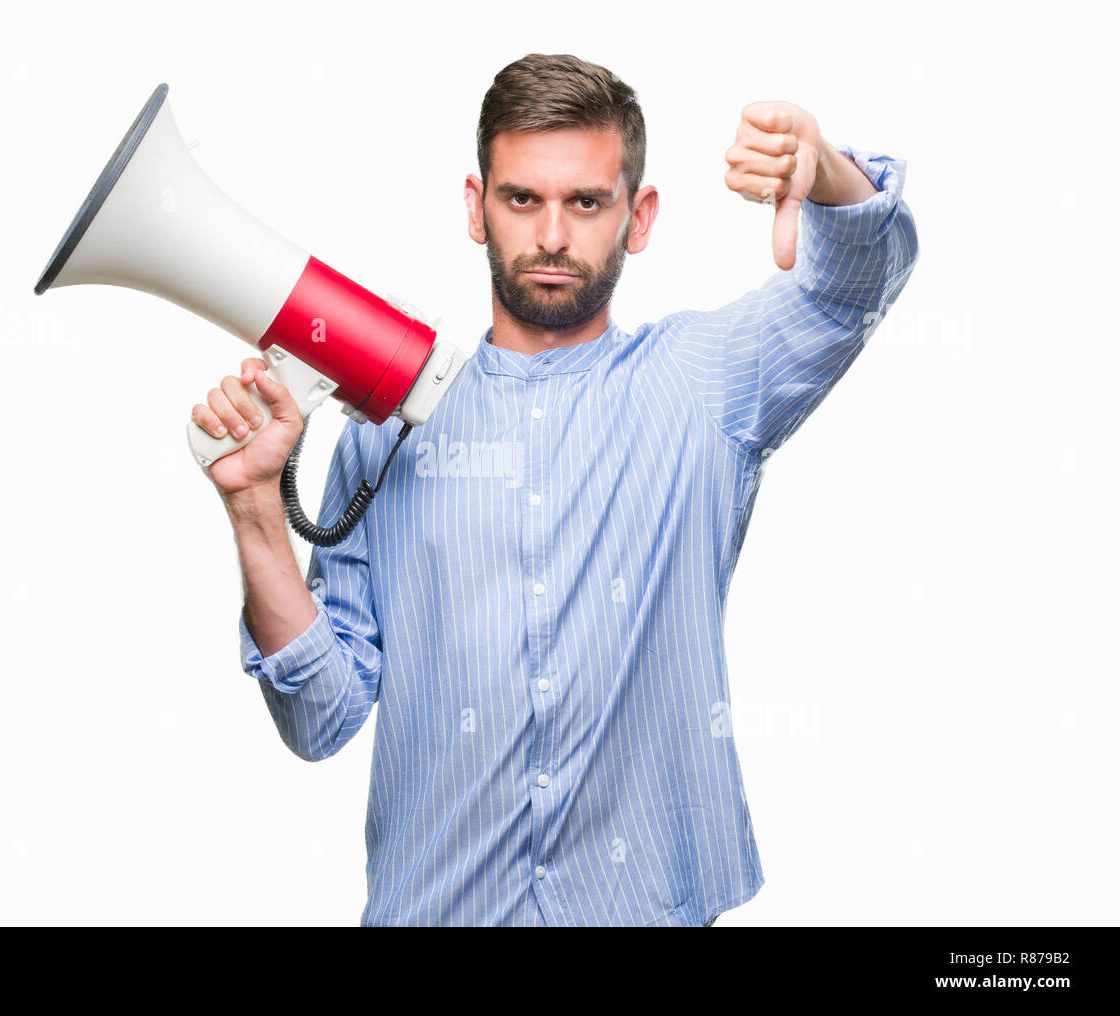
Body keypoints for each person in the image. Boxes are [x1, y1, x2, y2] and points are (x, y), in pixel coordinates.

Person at [191, 53, 919, 926]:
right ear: (476, 206)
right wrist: (255, 507)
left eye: (586, 201)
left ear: (638, 216)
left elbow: (851, 291)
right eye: (522, 198)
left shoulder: (705, 383)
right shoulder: (386, 429)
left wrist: (826, 168)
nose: (550, 237)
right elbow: (322, 718)